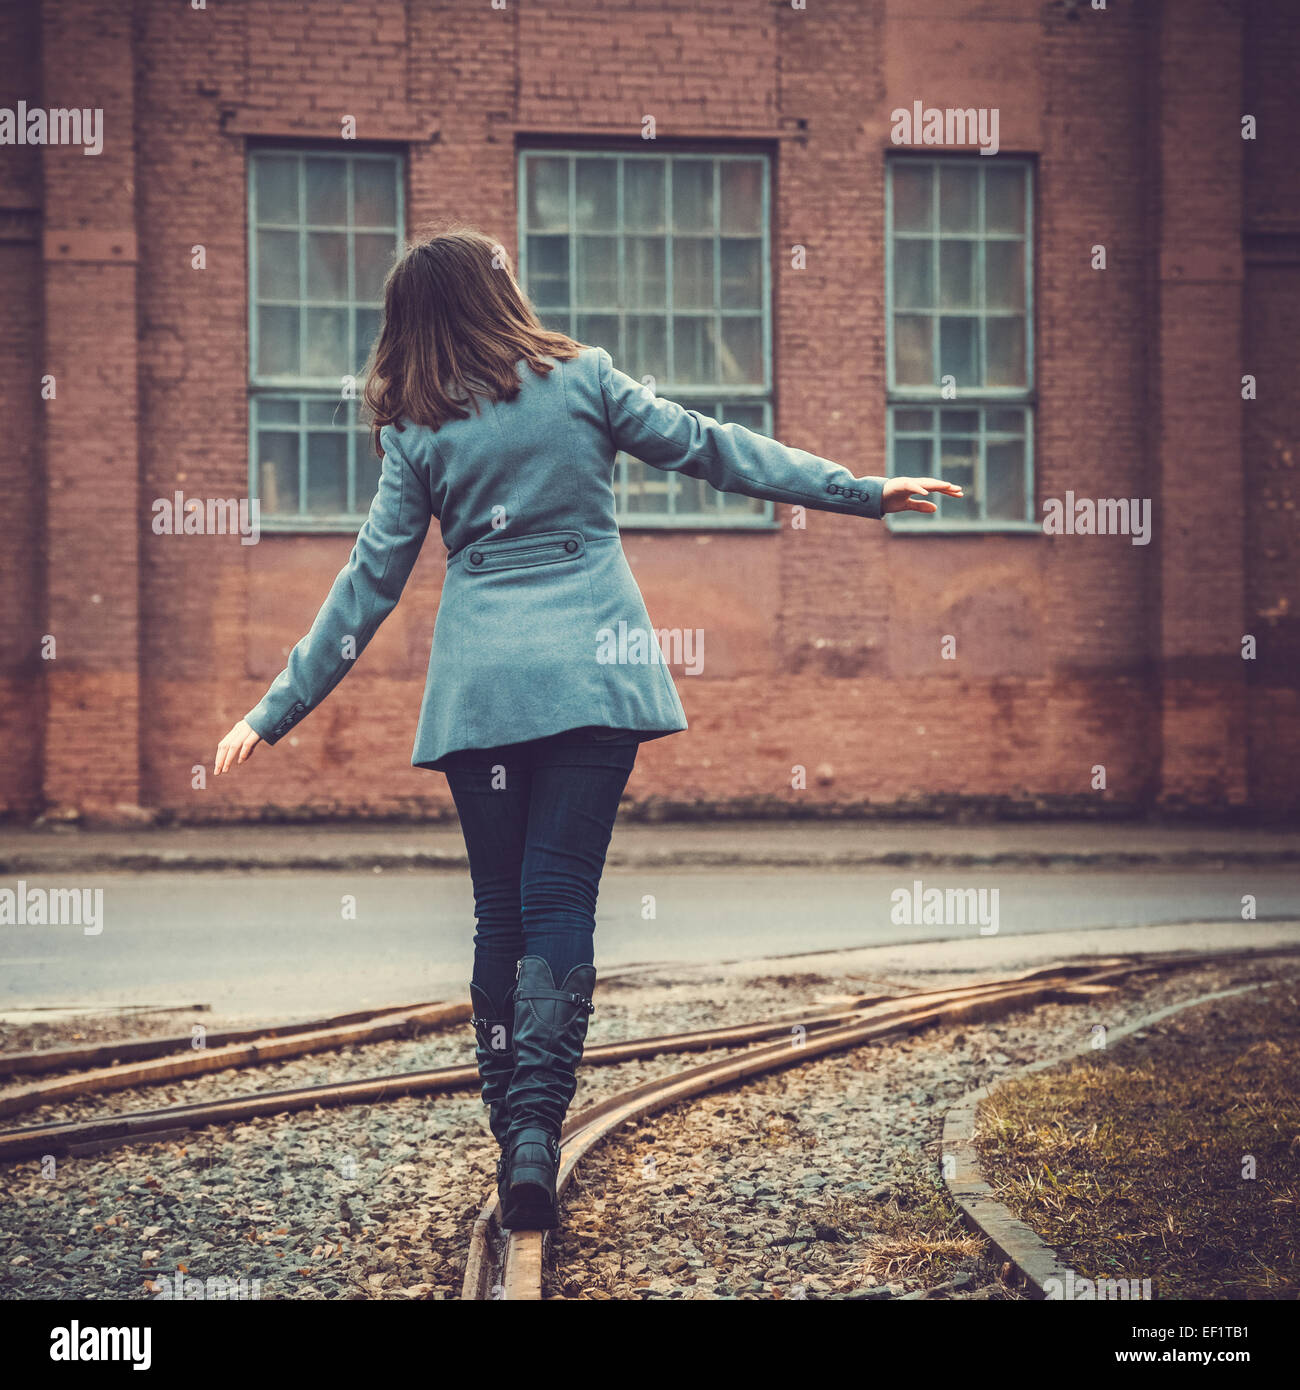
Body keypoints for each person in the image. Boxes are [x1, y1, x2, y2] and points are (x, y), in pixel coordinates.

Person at [215, 227, 962, 1230]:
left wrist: (275, 709)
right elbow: (716, 452)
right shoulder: (584, 381)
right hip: (592, 680)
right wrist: (861, 492)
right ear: (494, 298)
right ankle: (535, 1136)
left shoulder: (416, 430)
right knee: (559, 895)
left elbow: (369, 586)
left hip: (482, 700)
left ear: (412, 322)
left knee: (498, 912)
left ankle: (506, 1134)